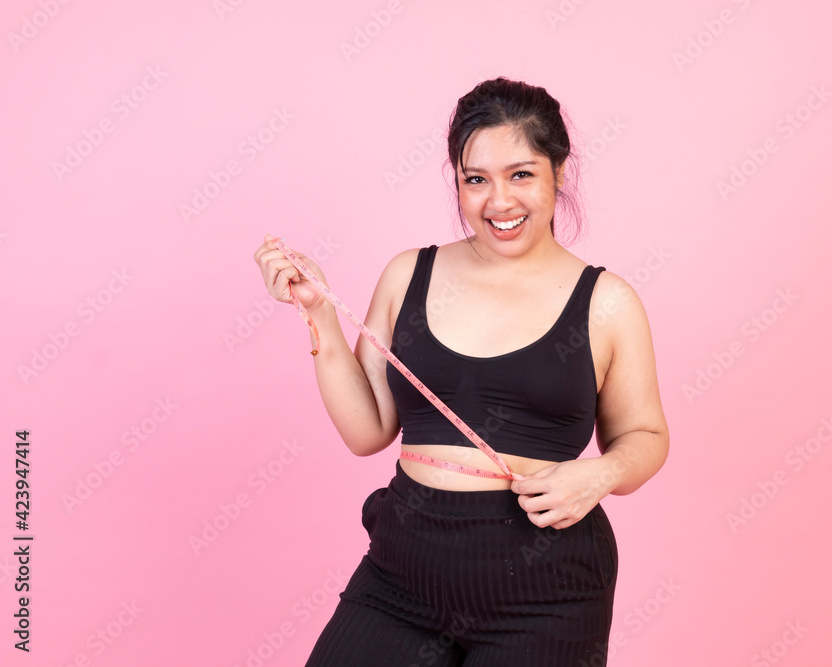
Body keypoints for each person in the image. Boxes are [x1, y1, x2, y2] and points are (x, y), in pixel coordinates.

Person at [252, 76, 669, 666]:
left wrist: (600, 474)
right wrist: (317, 311)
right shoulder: (408, 276)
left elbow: (647, 437)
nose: (498, 202)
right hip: (403, 571)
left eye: (521, 174)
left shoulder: (606, 303)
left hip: (545, 589)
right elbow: (366, 431)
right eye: (476, 180)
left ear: (560, 171)